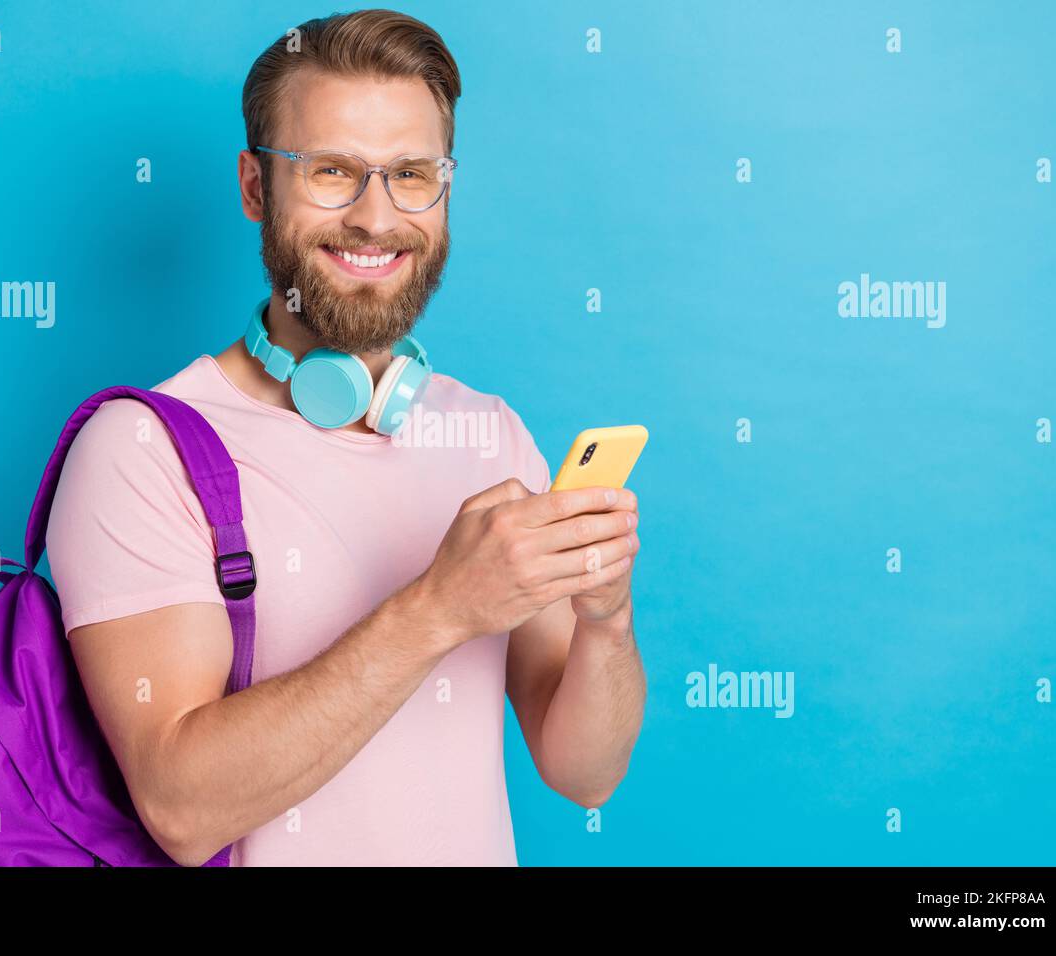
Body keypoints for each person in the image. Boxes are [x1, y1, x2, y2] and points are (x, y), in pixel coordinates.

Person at [45, 8, 645, 867]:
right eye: (332, 171)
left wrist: (607, 620)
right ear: (255, 188)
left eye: (412, 174)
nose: (376, 217)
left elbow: (584, 772)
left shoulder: (490, 433)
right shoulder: (143, 450)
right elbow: (180, 806)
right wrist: (439, 609)